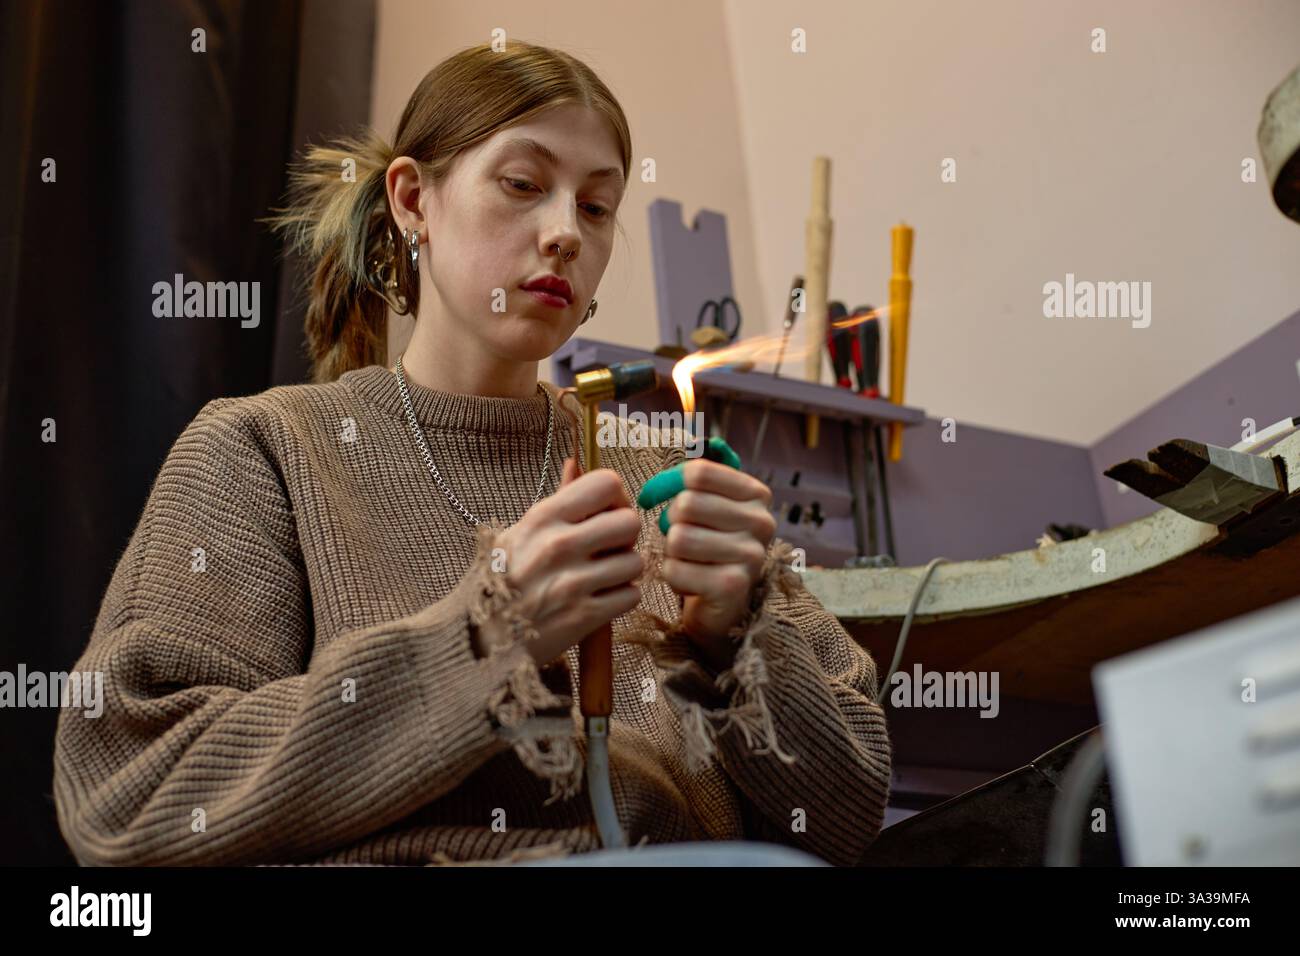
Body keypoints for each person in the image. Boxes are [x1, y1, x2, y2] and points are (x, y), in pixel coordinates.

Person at [52, 40, 891, 868]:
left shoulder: (664, 484)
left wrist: (737, 639)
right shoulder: (265, 451)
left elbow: (847, 821)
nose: (564, 232)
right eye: (523, 185)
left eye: (596, 208)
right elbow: (130, 794)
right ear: (414, 199)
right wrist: (485, 640)